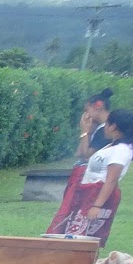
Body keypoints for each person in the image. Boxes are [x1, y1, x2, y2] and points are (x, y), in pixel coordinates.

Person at [47, 108, 132, 247]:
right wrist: (85, 131)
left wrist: (96, 206)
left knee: (80, 239)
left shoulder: (121, 150)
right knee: (68, 234)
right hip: (85, 195)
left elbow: (111, 180)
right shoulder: (111, 146)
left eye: (107, 123)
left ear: (113, 126)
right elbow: (86, 156)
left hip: (95, 197)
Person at [51, 89, 115, 230]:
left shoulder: (105, 131)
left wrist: (84, 131)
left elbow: (87, 155)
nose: (86, 114)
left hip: (92, 181)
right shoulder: (98, 129)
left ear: (97, 106)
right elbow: (79, 152)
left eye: (87, 110)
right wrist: (88, 131)